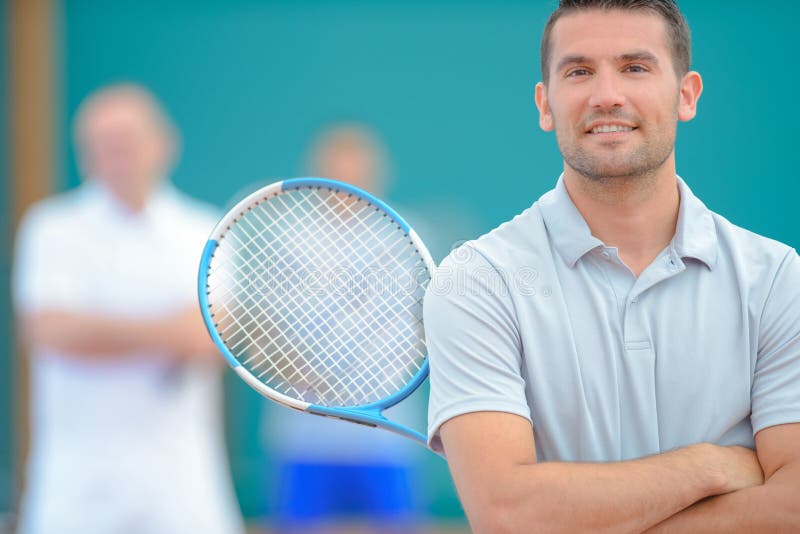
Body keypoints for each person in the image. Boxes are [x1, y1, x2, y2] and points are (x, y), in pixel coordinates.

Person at [424, 1, 800, 532]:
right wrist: (709, 467)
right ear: (545, 104)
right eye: (579, 72)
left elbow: (793, 506)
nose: (606, 95)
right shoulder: (477, 280)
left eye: (635, 67)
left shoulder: (779, 280)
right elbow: (508, 513)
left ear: (686, 95)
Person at [13, 84, 244, 534]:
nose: (117, 155)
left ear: (164, 143)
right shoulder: (50, 228)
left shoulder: (205, 231)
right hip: (76, 490)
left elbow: (212, 339)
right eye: (102, 144)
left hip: (184, 487)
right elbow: (51, 332)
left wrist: (101, 330)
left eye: (127, 141)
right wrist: (173, 330)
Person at [265, 123, 424, 534]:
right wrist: (291, 367)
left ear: (378, 170)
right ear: (318, 167)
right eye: (337, 161)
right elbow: (262, 332)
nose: (347, 173)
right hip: (304, 439)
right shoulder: (286, 238)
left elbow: (423, 331)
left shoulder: (405, 238)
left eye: (357, 162)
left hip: (386, 439)